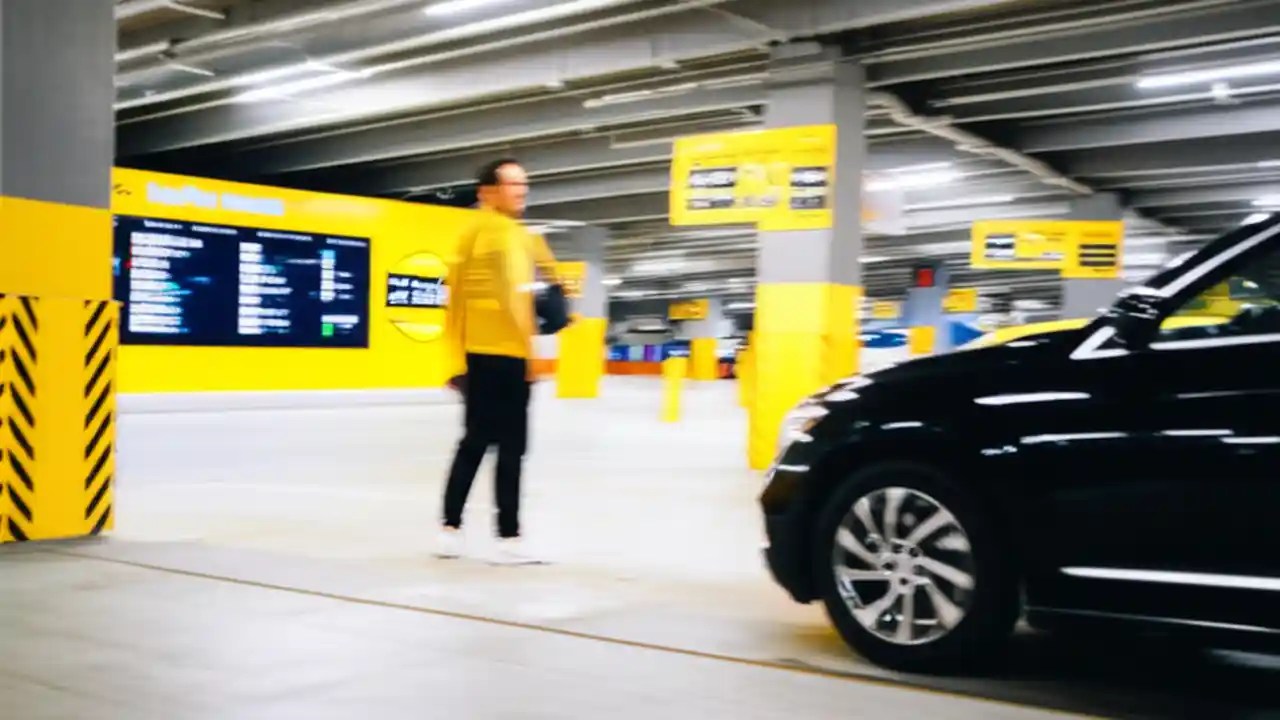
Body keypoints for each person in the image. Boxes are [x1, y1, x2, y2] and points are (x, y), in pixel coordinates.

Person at [436, 158, 559, 564]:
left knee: (484, 444)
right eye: (513, 184)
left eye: (525, 184)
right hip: (497, 356)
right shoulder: (489, 233)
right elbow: (506, 299)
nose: (522, 191)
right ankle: (502, 537)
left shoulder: (513, 235)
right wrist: (530, 355)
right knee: (499, 447)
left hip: (494, 355)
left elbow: (543, 288)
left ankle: (456, 530)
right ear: (487, 191)